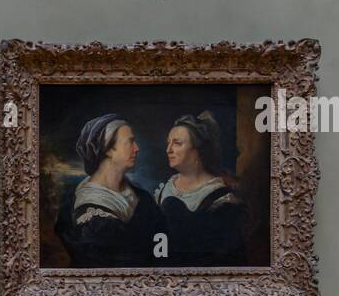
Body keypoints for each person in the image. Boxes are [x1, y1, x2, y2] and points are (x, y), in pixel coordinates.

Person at [55, 113, 163, 268]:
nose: (137, 148)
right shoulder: (88, 215)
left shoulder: (141, 197)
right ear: (108, 149)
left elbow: (162, 242)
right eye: (130, 142)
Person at [154, 111, 246, 266]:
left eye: (177, 143)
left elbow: (225, 257)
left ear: (197, 150)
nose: (168, 150)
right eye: (168, 143)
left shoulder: (220, 197)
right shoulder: (165, 188)